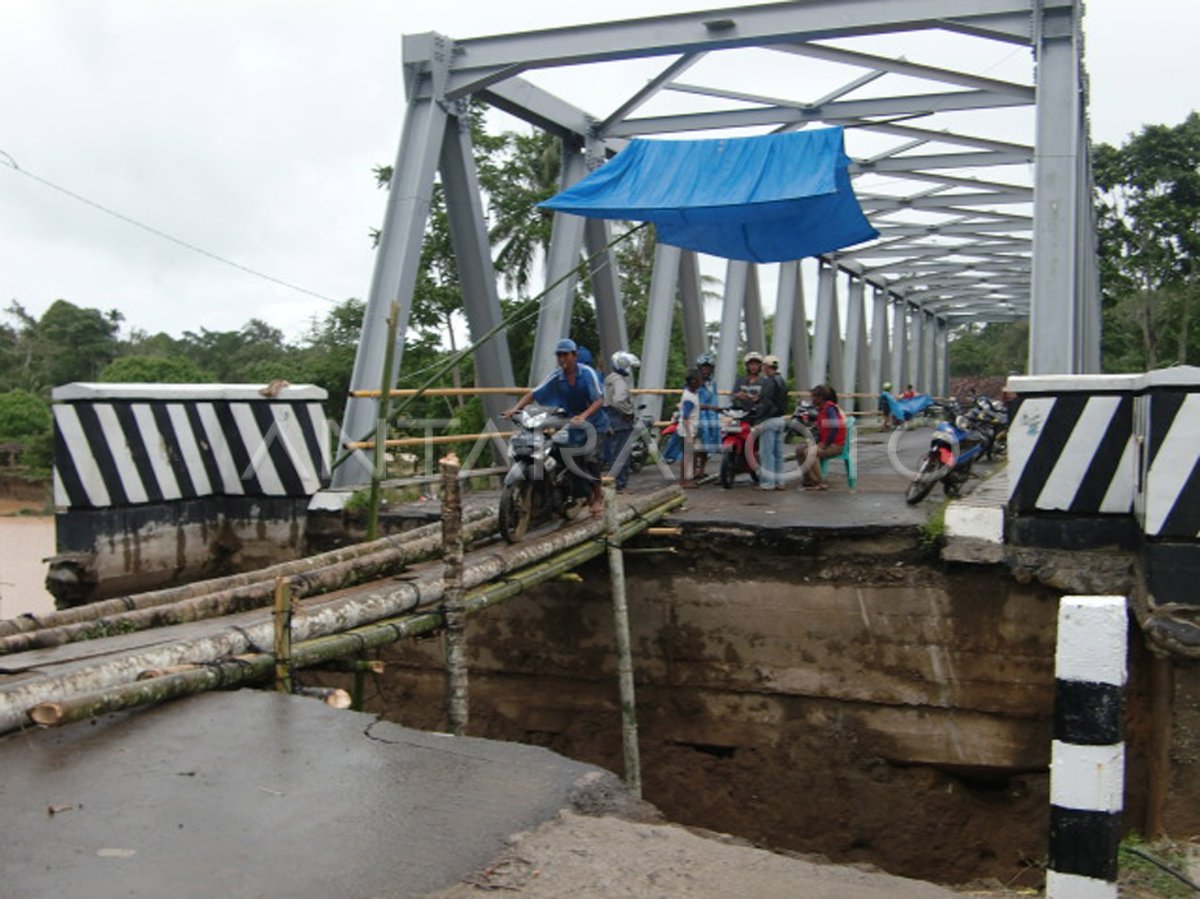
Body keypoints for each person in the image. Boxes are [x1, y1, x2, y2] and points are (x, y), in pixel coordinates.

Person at [502, 338, 609, 515]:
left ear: (574, 355)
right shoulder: (556, 376)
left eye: (565, 355)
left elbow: (599, 400)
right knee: (565, 456)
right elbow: (534, 394)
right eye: (559, 355)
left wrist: (583, 416)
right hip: (573, 423)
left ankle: (597, 497)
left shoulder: (587, 373)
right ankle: (577, 492)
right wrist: (514, 410)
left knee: (591, 460)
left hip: (594, 424)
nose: (562, 359)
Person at [796, 383, 845, 491]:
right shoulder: (822, 409)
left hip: (835, 444)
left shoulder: (830, 408)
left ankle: (820, 482)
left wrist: (826, 443)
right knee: (799, 450)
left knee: (810, 452)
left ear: (821, 397)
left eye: (814, 396)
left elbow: (834, 428)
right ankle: (808, 480)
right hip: (826, 442)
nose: (812, 398)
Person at [603, 351, 639, 493]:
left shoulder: (609, 379)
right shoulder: (619, 381)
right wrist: (629, 411)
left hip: (610, 417)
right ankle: (620, 485)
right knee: (622, 452)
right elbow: (618, 400)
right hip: (619, 418)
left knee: (615, 452)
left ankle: (615, 483)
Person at [754, 355, 789, 490]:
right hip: (780, 419)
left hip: (769, 420)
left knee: (766, 453)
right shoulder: (782, 380)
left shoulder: (768, 381)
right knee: (778, 453)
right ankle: (780, 482)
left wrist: (758, 419)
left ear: (766, 367)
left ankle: (768, 483)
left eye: (763, 366)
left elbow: (766, 403)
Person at [693, 353, 721, 479]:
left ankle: (702, 470)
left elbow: (714, 400)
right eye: (703, 367)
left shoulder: (711, 384)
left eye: (708, 367)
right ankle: (693, 470)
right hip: (696, 418)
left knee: (705, 445)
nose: (705, 370)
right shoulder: (693, 382)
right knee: (695, 447)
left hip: (709, 418)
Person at [677, 369, 702, 488]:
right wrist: (688, 435)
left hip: (689, 429)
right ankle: (684, 481)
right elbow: (686, 416)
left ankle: (687, 479)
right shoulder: (690, 398)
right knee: (687, 456)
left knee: (689, 455)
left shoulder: (690, 394)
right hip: (688, 430)